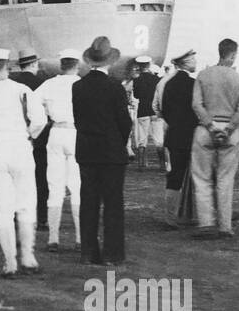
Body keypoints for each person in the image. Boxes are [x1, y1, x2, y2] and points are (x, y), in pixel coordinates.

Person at [0, 48, 47, 277]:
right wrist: (30, 136)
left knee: (2, 208)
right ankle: (28, 256)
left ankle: (9, 262)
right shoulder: (21, 90)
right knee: (25, 203)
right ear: (7, 66)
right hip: (20, 148)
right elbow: (40, 120)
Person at [72, 36, 132, 266]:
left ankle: (88, 252)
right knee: (113, 204)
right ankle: (112, 254)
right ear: (109, 61)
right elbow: (125, 122)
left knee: (89, 202)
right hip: (112, 153)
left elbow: (79, 120)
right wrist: (118, 141)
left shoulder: (78, 87)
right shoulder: (115, 87)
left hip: (87, 152)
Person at [190, 39, 239, 239]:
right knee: (226, 179)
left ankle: (206, 222)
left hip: (205, 130)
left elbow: (196, 105)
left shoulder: (203, 75)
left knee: (202, 178)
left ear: (219, 52)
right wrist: (229, 127)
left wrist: (209, 125)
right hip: (230, 132)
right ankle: (225, 226)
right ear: (233, 55)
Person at [34, 48, 82, 252]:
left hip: (55, 132)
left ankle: (54, 237)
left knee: (55, 187)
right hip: (77, 134)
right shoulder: (82, 84)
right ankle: (81, 236)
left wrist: (35, 130)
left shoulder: (49, 84)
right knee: (78, 187)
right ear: (77, 64)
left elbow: (33, 105)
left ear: (61, 65)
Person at [157, 49, 199, 228]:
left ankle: (170, 216)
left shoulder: (167, 83)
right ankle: (194, 214)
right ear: (186, 62)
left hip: (174, 136)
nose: (195, 61)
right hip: (193, 135)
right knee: (197, 176)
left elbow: (163, 109)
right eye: (193, 59)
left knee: (175, 176)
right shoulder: (194, 84)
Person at [10, 47, 49, 223]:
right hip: (39, 138)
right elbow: (43, 115)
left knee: (17, 180)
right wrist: (32, 134)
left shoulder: (12, 82)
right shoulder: (42, 82)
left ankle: (19, 216)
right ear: (34, 64)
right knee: (41, 178)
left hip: (16, 138)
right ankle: (41, 217)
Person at [130, 55, 160, 170]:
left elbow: (136, 95)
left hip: (142, 110)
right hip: (154, 111)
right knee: (158, 139)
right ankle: (162, 165)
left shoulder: (136, 80)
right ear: (149, 65)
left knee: (142, 139)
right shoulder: (157, 79)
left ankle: (141, 164)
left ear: (139, 66)